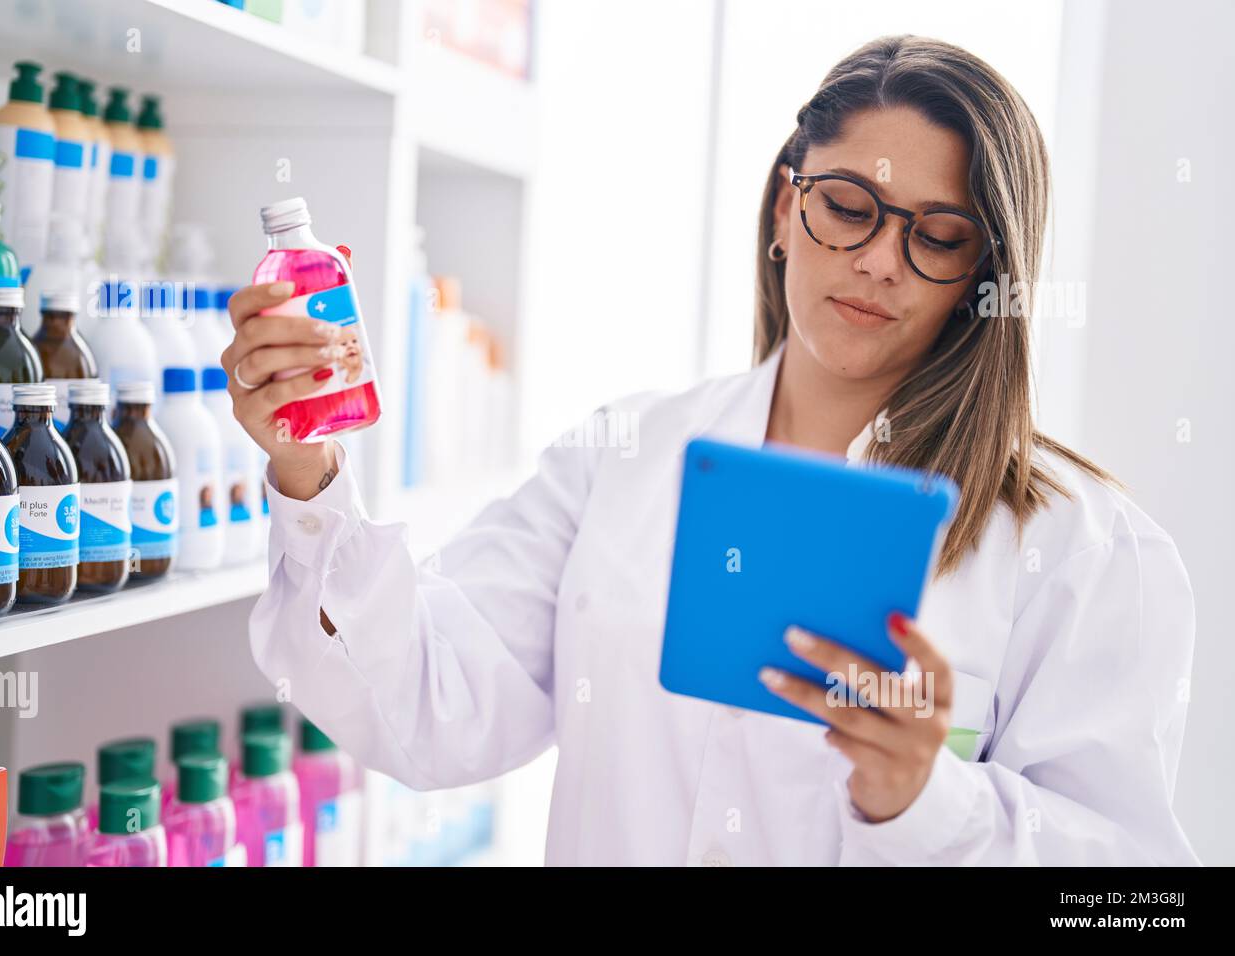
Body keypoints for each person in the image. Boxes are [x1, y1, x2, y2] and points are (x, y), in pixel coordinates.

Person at [221, 35, 1199, 865]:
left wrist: (925, 797)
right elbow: (427, 703)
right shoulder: (624, 459)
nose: (877, 260)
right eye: (848, 205)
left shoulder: (1084, 552)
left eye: (937, 235)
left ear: (983, 272)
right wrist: (310, 469)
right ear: (785, 208)